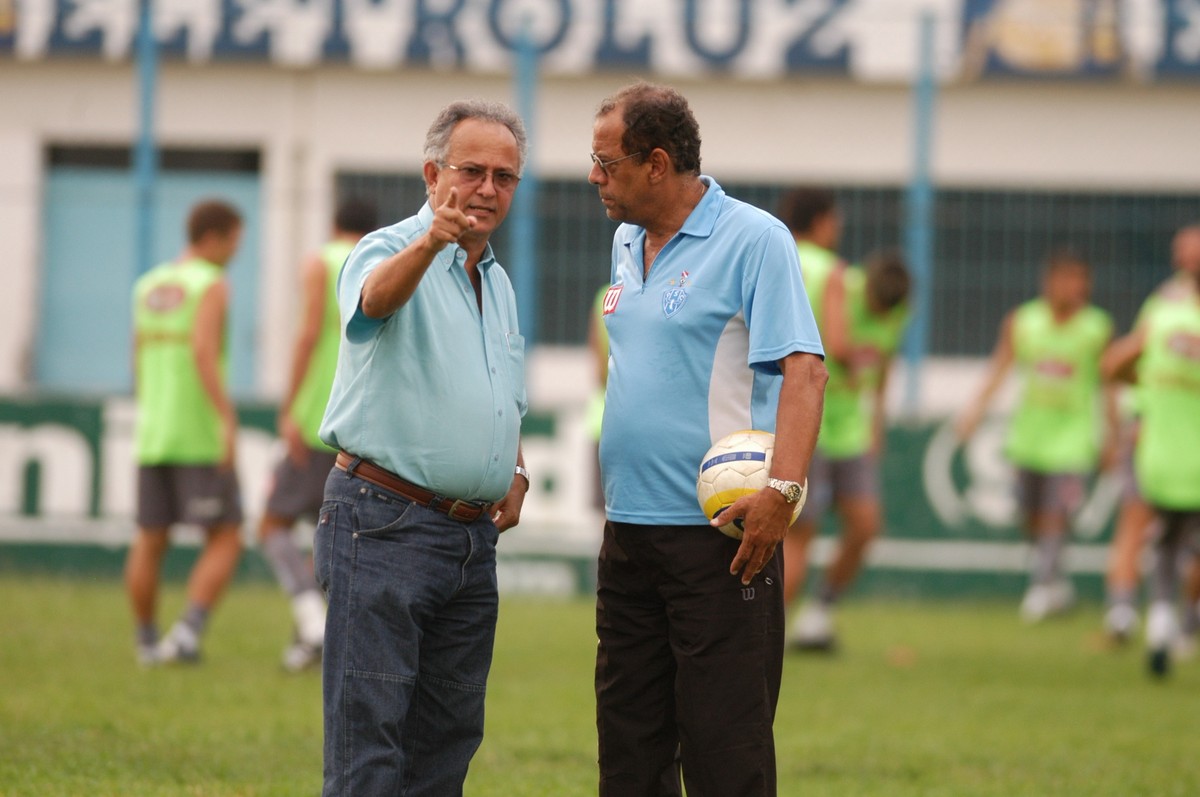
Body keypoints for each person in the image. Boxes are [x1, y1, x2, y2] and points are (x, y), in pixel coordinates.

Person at [590, 82, 827, 797]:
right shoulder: (624, 238)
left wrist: (781, 492)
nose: (594, 176)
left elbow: (805, 372)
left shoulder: (756, 238)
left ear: (657, 163)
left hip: (719, 539)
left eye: (607, 162)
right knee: (629, 757)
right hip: (626, 532)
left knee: (727, 759)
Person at [313, 100, 530, 796]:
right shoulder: (388, 248)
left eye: (505, 176)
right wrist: (431, 243)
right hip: (384, 520)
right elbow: (374, 302)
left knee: (446, 743)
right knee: (368, 739)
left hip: (470, 538)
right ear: (433, 173)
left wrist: (514, 464)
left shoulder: (496, 282)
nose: (489, 189)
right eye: (473, 171)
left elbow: (499, 392)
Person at [957, 250, 1117, 622]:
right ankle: (1056, 580)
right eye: (1067, 278)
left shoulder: (1097, 327)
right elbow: (1000, 368)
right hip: (1029, 438)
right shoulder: (1024, 321)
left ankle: (1043, 586)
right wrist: (974, 412)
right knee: (1030, 514)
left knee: (1055, 514)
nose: (1075, 287)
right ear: (1050, 282)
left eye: (1081, 280)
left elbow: (1109, 386)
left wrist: (1112, 435)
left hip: (1073, 440)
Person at [258, 198, 376, 672]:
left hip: (319, 414)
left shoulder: (323, 261)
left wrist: (289, 405)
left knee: (271, 525)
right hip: (360, 415)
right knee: (333, 533)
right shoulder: (382, 260)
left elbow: (309, 333)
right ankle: (313, 637)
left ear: (333, 224)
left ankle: (311, 622)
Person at [125, 199, 245, 666]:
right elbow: (202, 350)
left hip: (154, 429)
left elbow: (135, 356)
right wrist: (225, 417)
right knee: (227, 533)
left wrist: (150, 405)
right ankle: (187, 634)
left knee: (150, 537)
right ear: (214, 237)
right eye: (235, 240)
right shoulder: (211, 284)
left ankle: (145, 642)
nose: (236, 250)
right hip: (196, 429)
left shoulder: (148, 285)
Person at [784, 247, 911, 651]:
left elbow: (884, 367)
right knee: (800, 532)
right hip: (813, 426)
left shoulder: (895, 311)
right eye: (873, 308)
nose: (878, 319)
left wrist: (876, 423)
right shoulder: (839, 286)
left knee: (866, 526)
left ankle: (820, 610)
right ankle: (767, 626)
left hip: (852, 432)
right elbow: (836, 347)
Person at [1100, 239, 1200, 677]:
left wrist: (1152, 389)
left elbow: (1112, 366)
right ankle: (1184, 625)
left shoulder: (1163, 315)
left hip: (1157, 451)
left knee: (1158, 540)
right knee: (1190, 550)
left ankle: (1151, 622)